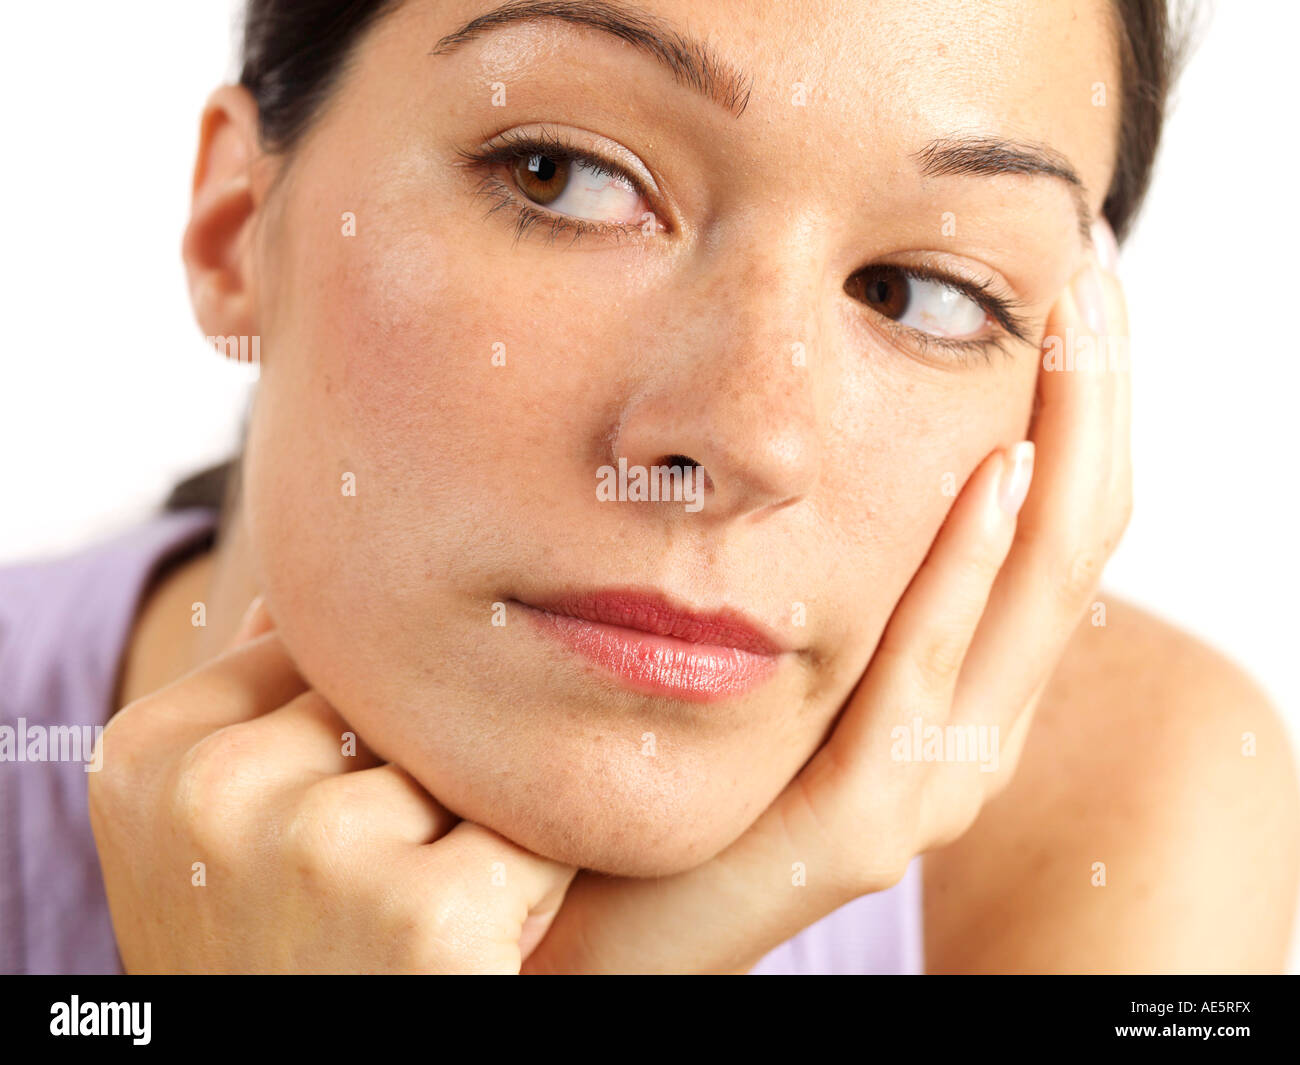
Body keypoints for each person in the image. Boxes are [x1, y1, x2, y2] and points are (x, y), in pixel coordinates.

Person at [2, 0, 1296, 974]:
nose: (747, 442)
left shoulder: (1117, 829)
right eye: (563, 176)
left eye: (925, 292)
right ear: (240, 225)